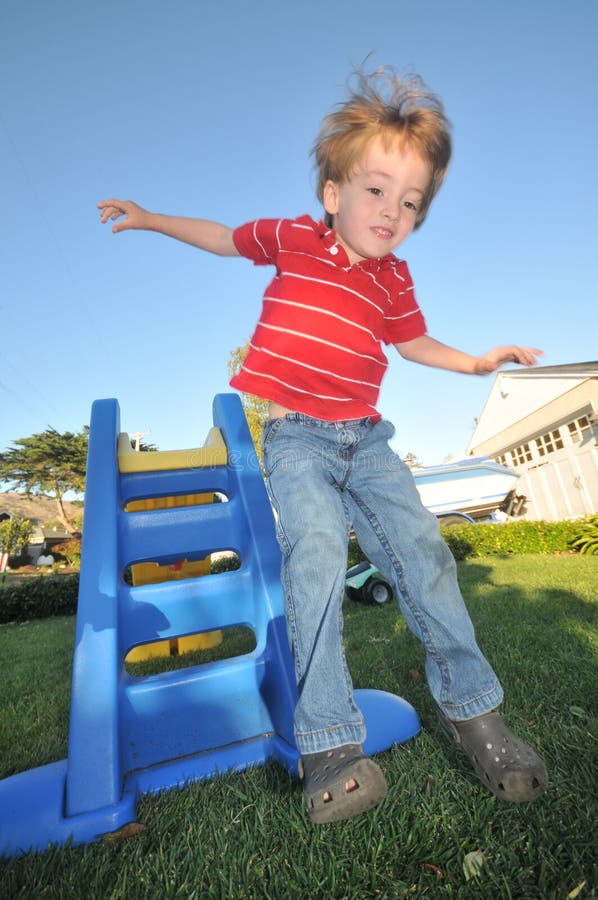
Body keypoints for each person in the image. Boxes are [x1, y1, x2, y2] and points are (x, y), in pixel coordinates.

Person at [99, 66, 548, 825]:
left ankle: (478, 717)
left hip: (368, 440)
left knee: (427, 559)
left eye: (410, 202)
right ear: (334, 194)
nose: (392, 212)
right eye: (377, 191)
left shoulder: (393, 280)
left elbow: (413, 344)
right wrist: (149, 218)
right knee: (313, 555)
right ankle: (332, 745)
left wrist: (474, 362)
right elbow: (220, 237)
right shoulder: (293, 238)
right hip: (297, 437)